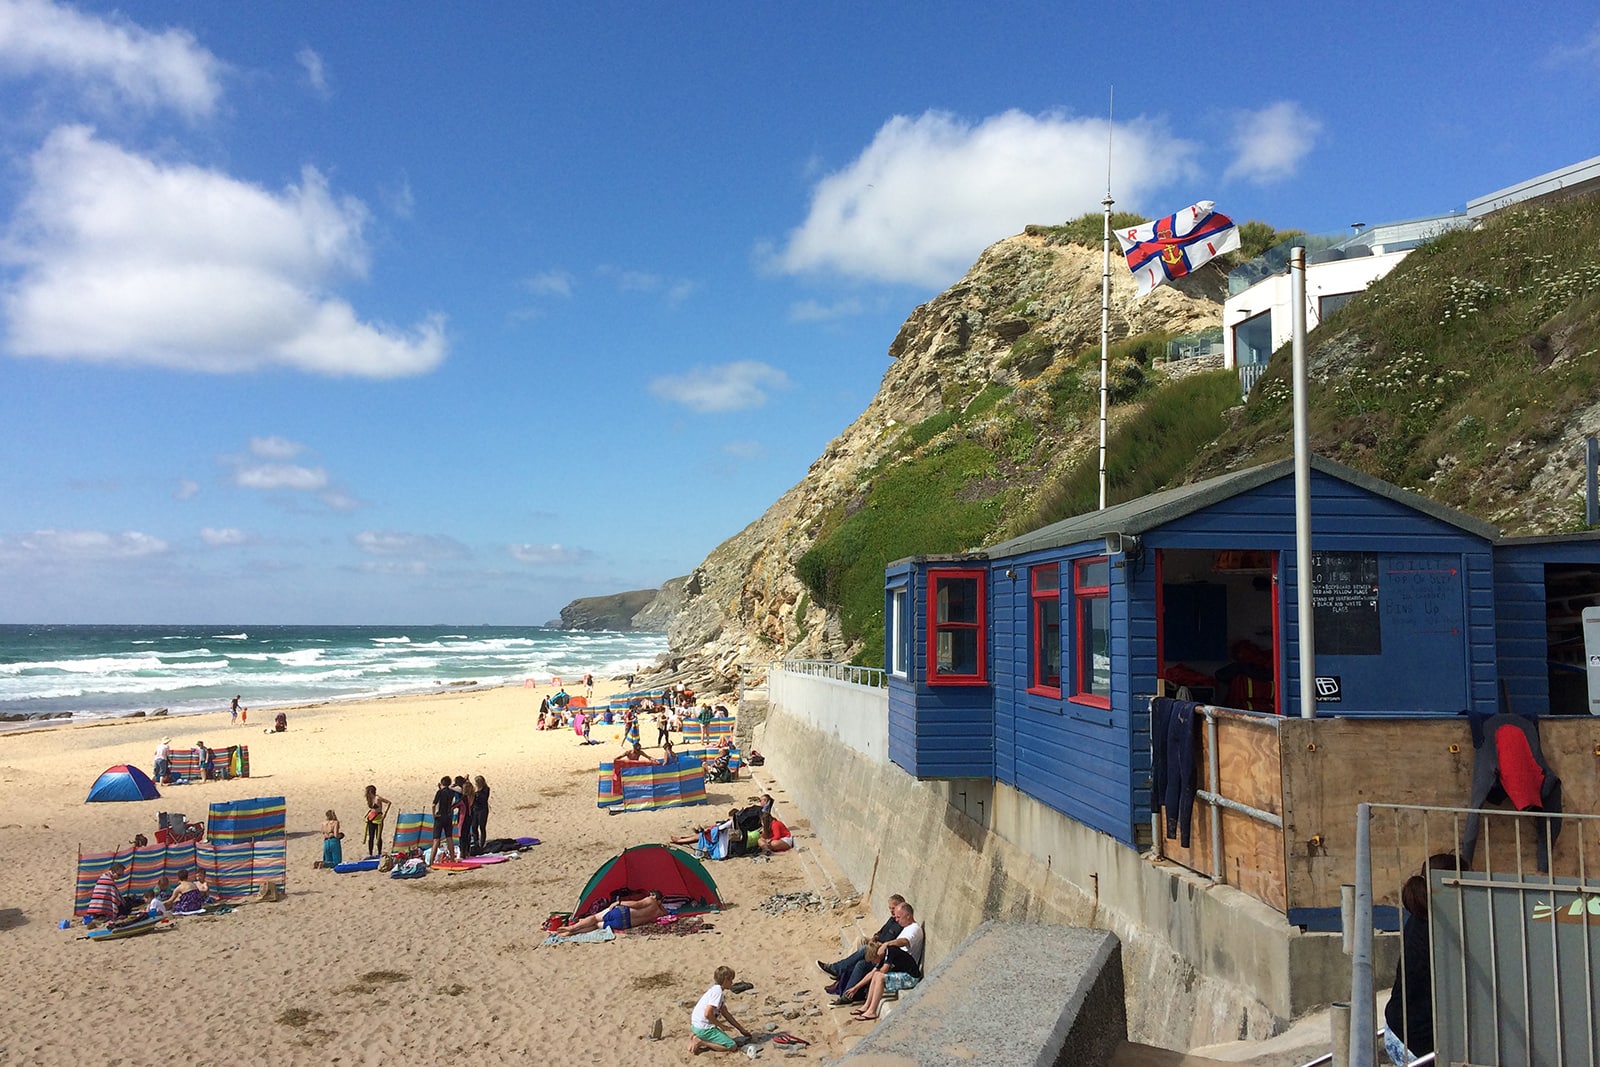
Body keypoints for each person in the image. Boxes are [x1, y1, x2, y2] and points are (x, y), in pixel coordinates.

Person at [1385, 865, 1443, 1065]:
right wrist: (1545, 909)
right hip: (1420, 1046)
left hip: (1397, 1029)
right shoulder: (1441, 932)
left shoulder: (1420, 918)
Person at [832, 898, 921, 1004]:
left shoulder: (914, 929)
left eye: (898, 917)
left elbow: (904, 941)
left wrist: (886, 944)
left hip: (900, 966)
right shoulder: (906, 927)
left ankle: (847, 991)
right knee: (864, 955)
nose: (896, 920)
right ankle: (845, 983)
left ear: (908, 916)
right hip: (893, 960)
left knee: (863, 963)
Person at [689, 965, 752, 1055]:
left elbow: (726, 1013)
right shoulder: (717, 993)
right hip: (704, 1028)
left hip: (696, 1025)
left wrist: (741, 1030)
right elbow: (708, 1013)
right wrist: (721, 1025)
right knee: (732, 1046)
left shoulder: (715, 990)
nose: (732, 982)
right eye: (730, 980)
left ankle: (696, 1036)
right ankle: (701, 1042)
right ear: (725, 980)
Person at [554, 891, 666, 935]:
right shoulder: (660, 913)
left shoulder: (651, 900)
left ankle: (572, 928)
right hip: (624, 924)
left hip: (622, 912)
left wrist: (619, 902)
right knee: (597, 926)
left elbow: (637, 905)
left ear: (654, 896)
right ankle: (573, 933)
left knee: (594, 918)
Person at [430, 775, 458, 863]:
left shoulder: (440, 792)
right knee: (449, 838)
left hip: (440, 816)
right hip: (448, 816)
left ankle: (431, 861)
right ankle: (453, 859)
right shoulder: (451, 792)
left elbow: (434, 805)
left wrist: (434, 814)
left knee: (436, 839)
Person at [364, 785, 391, 857]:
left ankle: (379, 852)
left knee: (378, 836)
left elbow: (388, 802)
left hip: (378, 818)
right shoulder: (369, 799)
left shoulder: (377, 798)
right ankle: (370, 853)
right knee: (371, 837)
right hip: (371, 819)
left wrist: (385, 813)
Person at [453, 776, 474, 856]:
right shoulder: (472, 795)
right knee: (467, 834)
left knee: (461, 835)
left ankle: (462, 852)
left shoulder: (463, 799)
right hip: (469, 816)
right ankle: (467, 851)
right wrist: (466, 780)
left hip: (462, 817)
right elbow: (470, 786)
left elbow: (453, 806)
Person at [470, 775, 490, 856]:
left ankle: (482, 843)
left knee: (482, 827)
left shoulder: (486, 789)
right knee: (474, 826)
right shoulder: (475, 790)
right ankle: (476, 842)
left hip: (482, 810)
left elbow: (483, 798)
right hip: (475, 809)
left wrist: (476, 794)